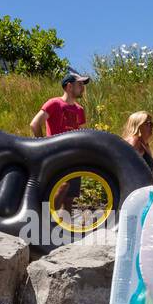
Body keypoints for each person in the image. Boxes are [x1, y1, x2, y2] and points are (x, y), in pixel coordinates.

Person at [31, 70, 91, 218]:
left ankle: (66, 227)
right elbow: (34, 124)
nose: (82, 87)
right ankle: (44, 218)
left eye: (83, 84)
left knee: (70, 197)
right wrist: (43, 144)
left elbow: (82, 134)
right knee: (61, 186)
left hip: (74, 156)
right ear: (69, 86)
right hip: (56, 154)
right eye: (79, 84)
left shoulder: (79, 110)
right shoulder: (54, 103)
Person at [122, 110, 153, 186]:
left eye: (152, 124)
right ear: (137, 125)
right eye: (148, 124)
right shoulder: (134, 141)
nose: (151, 127)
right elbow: (127, 168)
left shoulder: (144, 144)